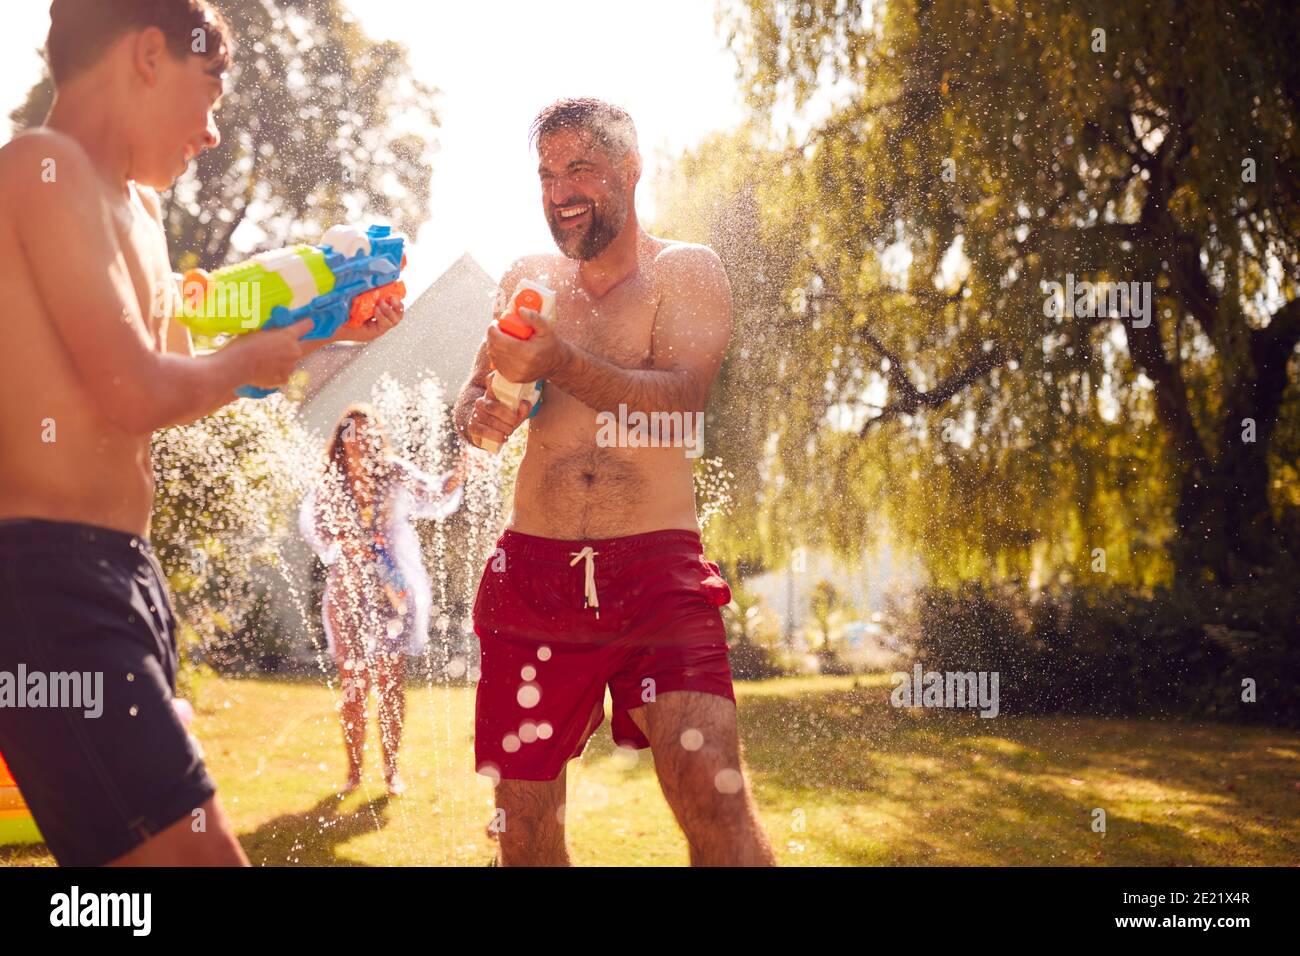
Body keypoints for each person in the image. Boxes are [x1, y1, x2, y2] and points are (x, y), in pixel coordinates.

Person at [0, 0, 405, 866]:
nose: (214, 132)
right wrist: (249, 356)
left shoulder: (138, 212)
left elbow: (188, 378)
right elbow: (133, 390)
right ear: (150, 55)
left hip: (123, 577)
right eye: (211, 90)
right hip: (45, 582)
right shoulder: (41, 167)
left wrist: (327, 328)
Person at [454, 98, 775, 866]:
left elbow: (681, 407)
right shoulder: (527, 277)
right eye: (546, 172)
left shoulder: (684, 270)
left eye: (580, 168)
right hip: (532, 576)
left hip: (655, 574)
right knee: (523, 829)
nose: (559, 188)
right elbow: (473, 397)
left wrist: (561, 363)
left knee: (711, 795)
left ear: (630, 171)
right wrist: (483, 417)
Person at [300, 405, 464, 797]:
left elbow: (435, 492)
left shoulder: (393, 471)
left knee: (391, 684)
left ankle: (392, 772)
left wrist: (462, 470)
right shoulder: (330, 481)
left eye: (369, 432)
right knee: (353, 684)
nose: (362, 441)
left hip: (393, 592)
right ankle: (354, 772)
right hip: (348, 591)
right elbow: (317, 529)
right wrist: (345, 540)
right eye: (353, 434)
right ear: (341, 441)